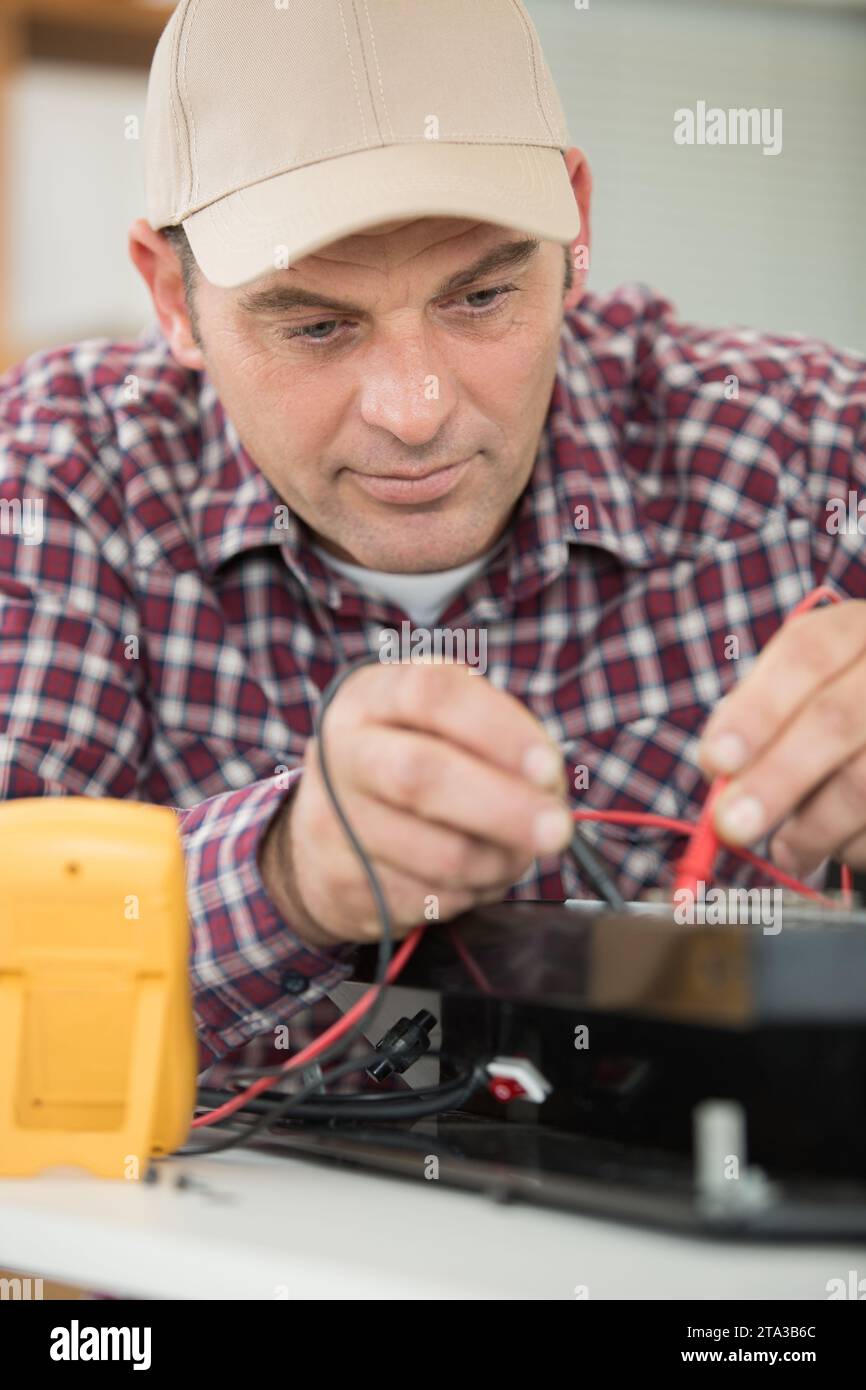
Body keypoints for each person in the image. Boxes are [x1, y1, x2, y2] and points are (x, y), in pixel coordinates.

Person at [1, 0, 864, 1070]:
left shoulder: (819, 452)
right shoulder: (58, 472)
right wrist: (285, 874)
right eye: (317, 325)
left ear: (575, 230)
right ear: (173, 296)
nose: (414, 411)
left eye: (481, 296)